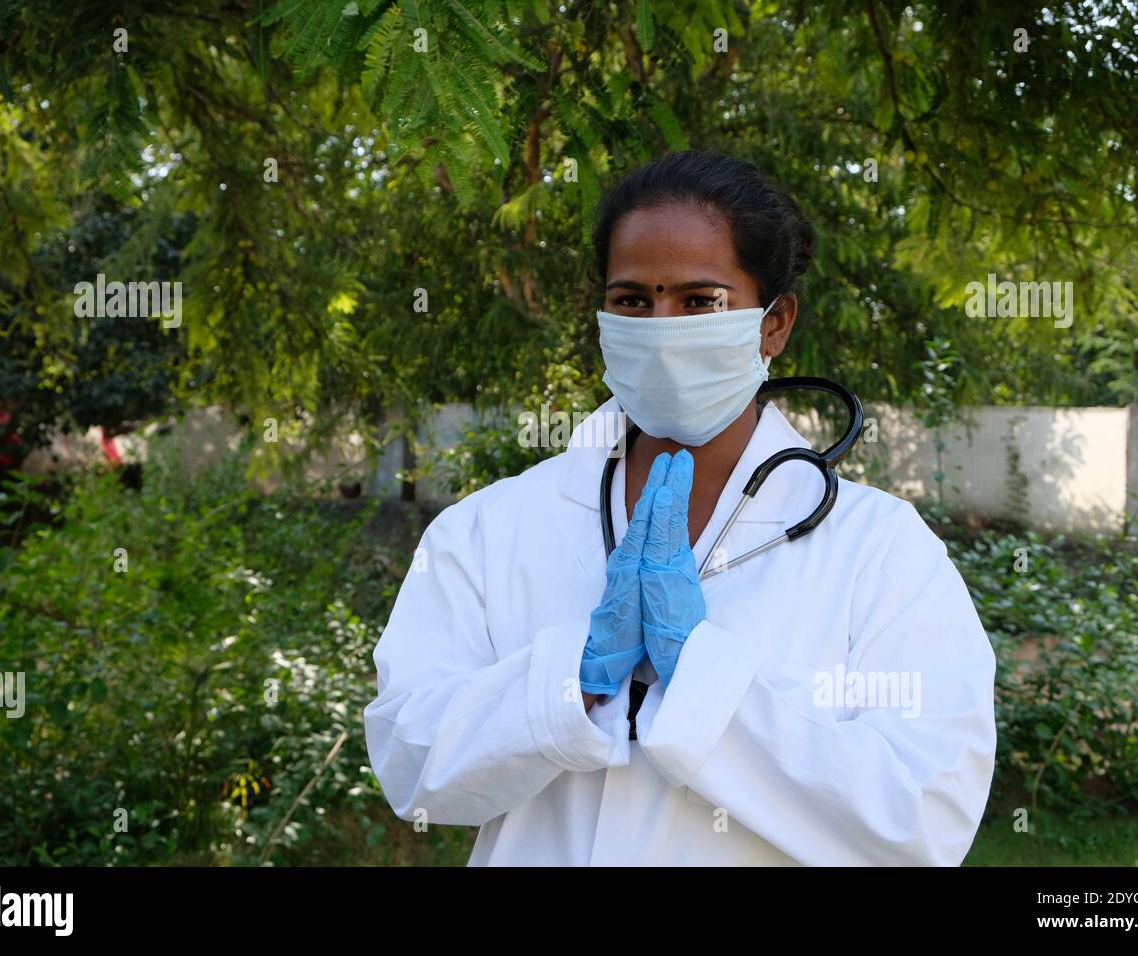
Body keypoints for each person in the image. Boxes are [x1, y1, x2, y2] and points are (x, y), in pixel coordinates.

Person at [364, 150, 997, 866]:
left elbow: (924, 816)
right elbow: (411, 767)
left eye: (700, 301)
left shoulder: (880, 551)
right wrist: (573, 676)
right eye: (634, 299)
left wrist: (700, 676)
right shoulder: (487, 529)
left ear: (774, 322)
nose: (662, 326)